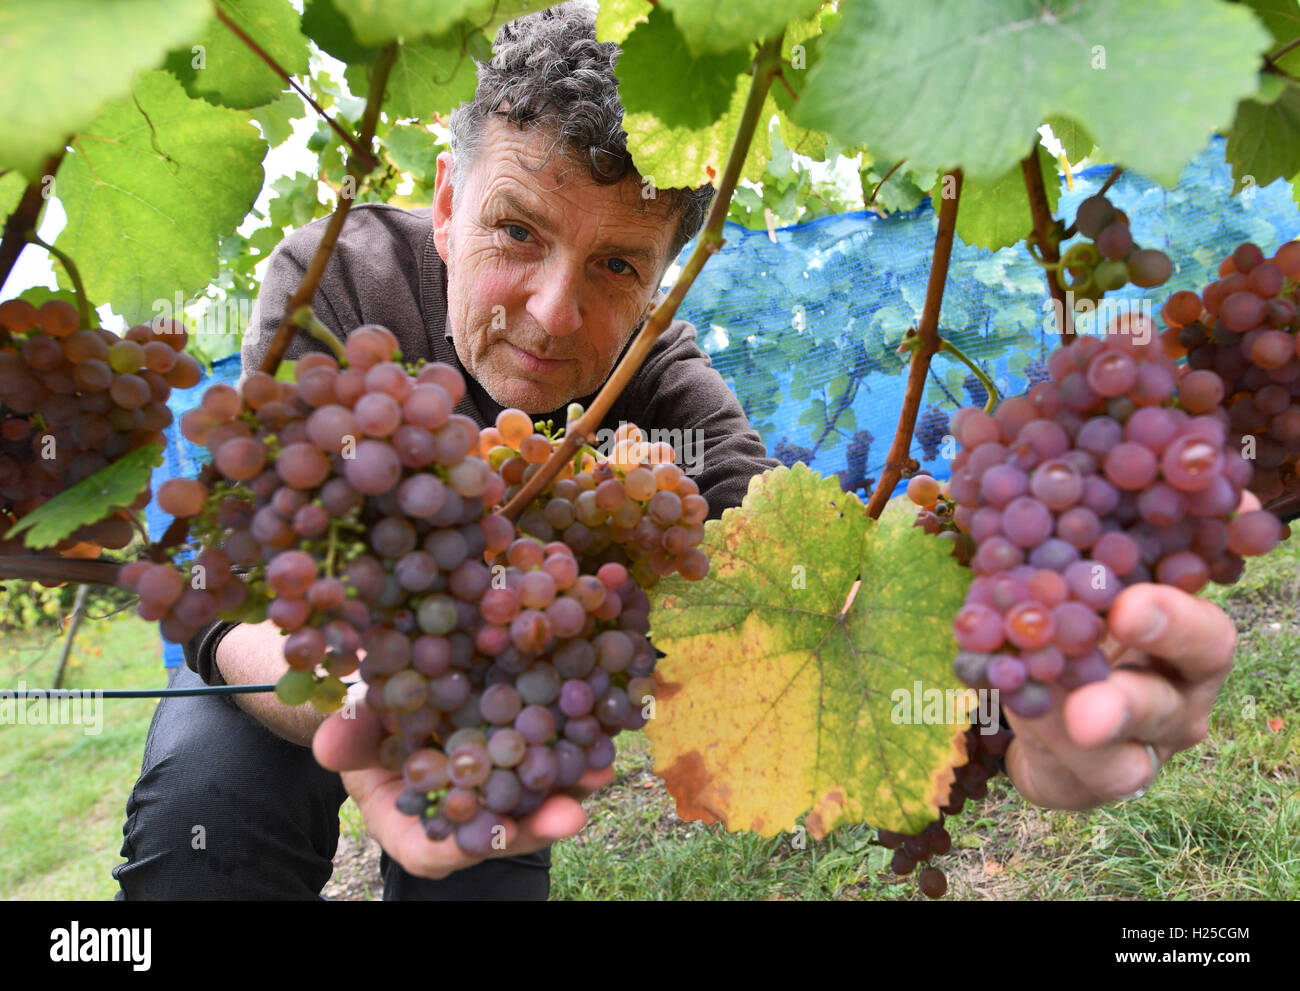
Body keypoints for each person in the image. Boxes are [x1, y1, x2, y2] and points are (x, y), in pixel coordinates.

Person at [114, 2, 1245, 899]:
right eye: (516, 231)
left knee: (486, 851)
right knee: (207, 812)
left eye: (617, 267)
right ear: (449, 200)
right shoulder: (341, 279)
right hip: (295, 650)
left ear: (664, 282)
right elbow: (221, 565)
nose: (556, 316)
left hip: (505, 702)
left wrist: (978, 699)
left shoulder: (660, 379)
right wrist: (359, 688)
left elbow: (765, 553)